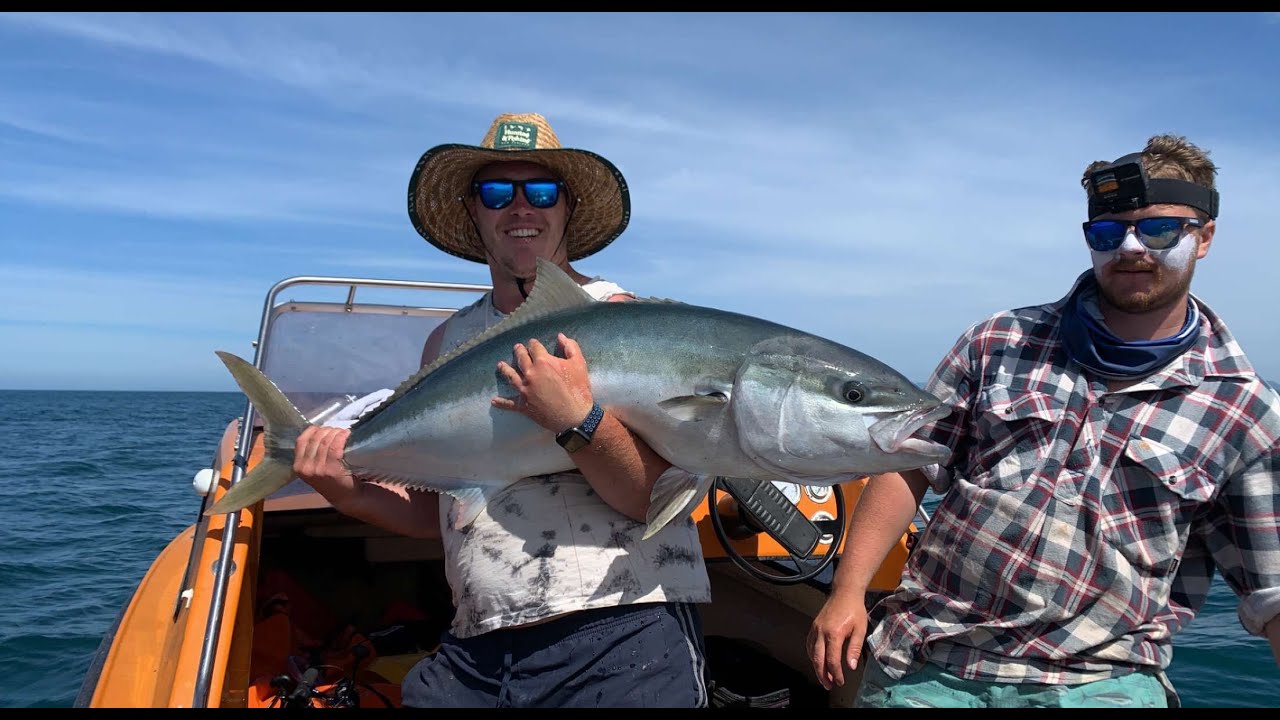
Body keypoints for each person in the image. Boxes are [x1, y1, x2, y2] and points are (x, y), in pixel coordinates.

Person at [807, 133, 1280, 708]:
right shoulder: (999, 341)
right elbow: (908, 465)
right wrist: (848, 590)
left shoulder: (1245, 411)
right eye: (1108, 233)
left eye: (1159, 230)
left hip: (1101, 680)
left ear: (1203, 237)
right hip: (932, 662)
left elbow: (1271, 588)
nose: (1131, 247)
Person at [289, 112, 712, 707]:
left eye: (540, 191)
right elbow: (442, 511)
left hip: (619, 629)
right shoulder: (449, 342)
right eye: (496, 192)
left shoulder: (622, 320)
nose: (520, 208)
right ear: (473, 211)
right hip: (477, 645)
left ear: (566, 208)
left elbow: (655, 497)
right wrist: (346, 490)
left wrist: (577, 420)